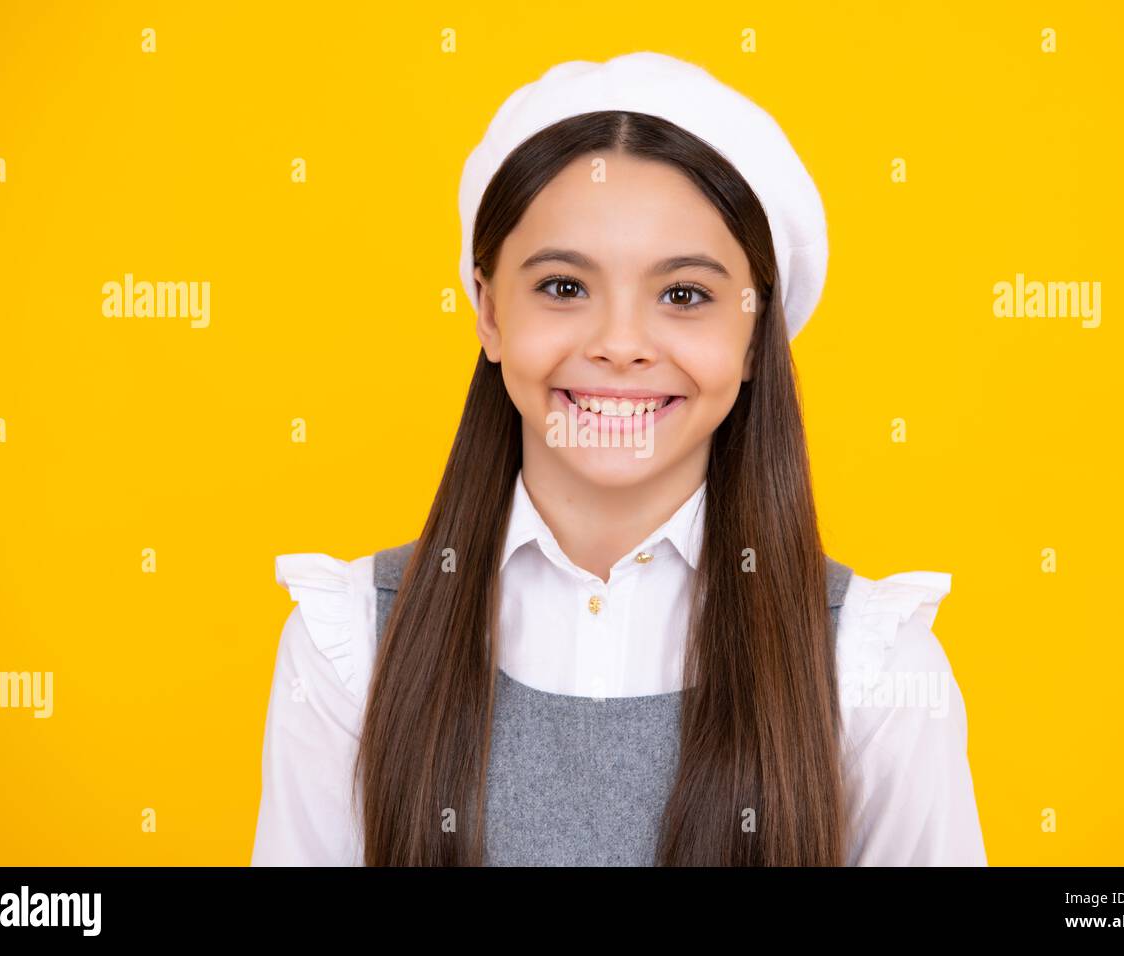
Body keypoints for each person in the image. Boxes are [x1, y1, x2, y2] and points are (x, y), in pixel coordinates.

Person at [251, 51, 986, 867]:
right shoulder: (347, 645)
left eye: (684, 296)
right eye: (565, 287)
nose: (620, 346)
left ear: (754, 338)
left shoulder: (873, 671)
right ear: (490, 314)